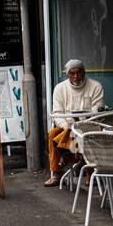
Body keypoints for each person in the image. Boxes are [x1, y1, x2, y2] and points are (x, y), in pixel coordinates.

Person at [45, 58, 106, 187]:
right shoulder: (60, 88)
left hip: (89, 127)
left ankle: (90, 172)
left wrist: (81, 125)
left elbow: (97, 111)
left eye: (79, 72)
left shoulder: (95, 86)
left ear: (84, 72)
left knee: (89, 136)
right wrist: (67, 126)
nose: (76, 76)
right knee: (52, 135)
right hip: (66, 128)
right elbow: (57, 113)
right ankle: (57, 173)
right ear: (67, 75)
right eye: (72, 73)